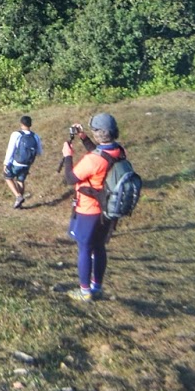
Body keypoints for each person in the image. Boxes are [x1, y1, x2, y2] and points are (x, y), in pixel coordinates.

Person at [60, 111, 126, 301]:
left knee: (85, 248)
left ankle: (84, 291)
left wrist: (67, 156)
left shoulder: (92, 160)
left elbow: (70, 178)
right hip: (107, 210)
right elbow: (101, 155)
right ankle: (97, 287)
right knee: (99, 247)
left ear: (98, 133)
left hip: (88, 210)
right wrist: (83, 137)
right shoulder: (119, 151)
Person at [1, 115, 41, 209]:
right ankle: (19, 204)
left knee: (7, 177)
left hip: (16, 162)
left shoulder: (16, 134)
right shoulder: (35, 136)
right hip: (27, 163)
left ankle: (18, 196)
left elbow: (11, 149)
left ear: (21, 124)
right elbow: (39, 152)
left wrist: (6, 162)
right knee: (20, 181)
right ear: (30, 124)